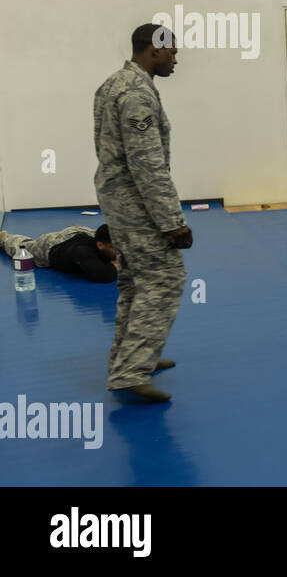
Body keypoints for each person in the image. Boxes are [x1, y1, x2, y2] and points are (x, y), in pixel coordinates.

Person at [93, 23, 192, 403]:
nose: (176, 60)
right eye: (172, 52)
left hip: (118, 199)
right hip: (137, 205)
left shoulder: (111, 84)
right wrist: (172, 222)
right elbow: (147, 164)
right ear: (153, 49)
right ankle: (130, 373)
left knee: (134, 282)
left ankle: (130, 360)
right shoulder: (135, 94)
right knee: (165, 279)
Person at [0, 224, 117, 283]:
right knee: (25, 247)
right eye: (114, 248)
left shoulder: (109, 241)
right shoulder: (82, 252)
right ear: (100, 245)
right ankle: (4, 238)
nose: (120, 252)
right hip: (52, 245)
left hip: (82, 232)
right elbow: (104, 275)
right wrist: (116, 264)